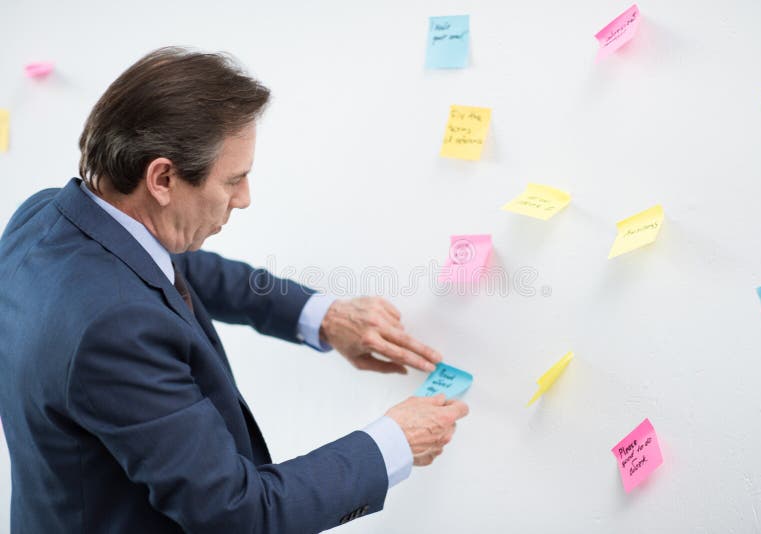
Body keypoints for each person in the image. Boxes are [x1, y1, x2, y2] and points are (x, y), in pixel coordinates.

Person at [0, 47, 469, 533]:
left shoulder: (45, 217)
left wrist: (321, 315)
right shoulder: (114, 329)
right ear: (162, 178)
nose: (245, 198)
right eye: (235, 179)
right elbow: (239, 514)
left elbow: (172, 268)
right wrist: (393, 443)